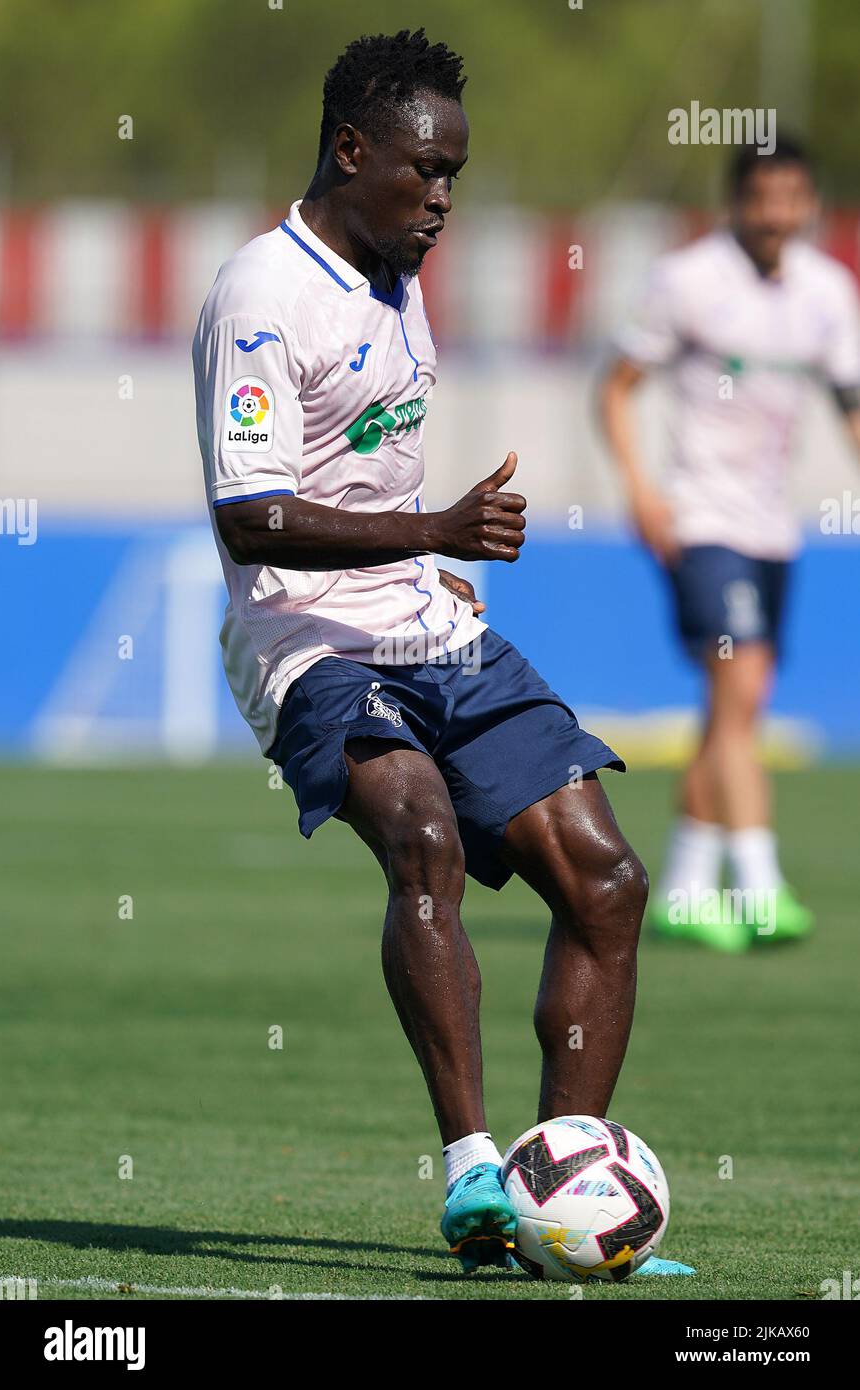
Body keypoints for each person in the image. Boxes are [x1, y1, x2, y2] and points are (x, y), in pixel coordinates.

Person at [193, 28, 689, 1278]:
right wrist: (429, 528)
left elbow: (356, 459)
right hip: (303, 641)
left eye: (457, 175)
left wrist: (427, 558)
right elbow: (249, 513)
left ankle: (564, 1186)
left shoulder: (394, 269)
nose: (444, 202)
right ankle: (475, 1170)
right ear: (350, 150)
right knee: (418, 835)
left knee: (608, 883)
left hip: (427, 619)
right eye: (426, 172)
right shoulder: (262, 293)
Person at [601, 137, 860, 953]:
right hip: (700, 517)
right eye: (763, 197)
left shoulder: (827, 291)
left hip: (772, 528)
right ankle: (757, 887)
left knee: (734, 707)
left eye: (793, 197)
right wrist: (641, 491)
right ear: (737, 200)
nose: (778, 213)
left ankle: (681, 887)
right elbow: (614, 388)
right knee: (741, 683)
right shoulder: (689, 281)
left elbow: (850, 400)